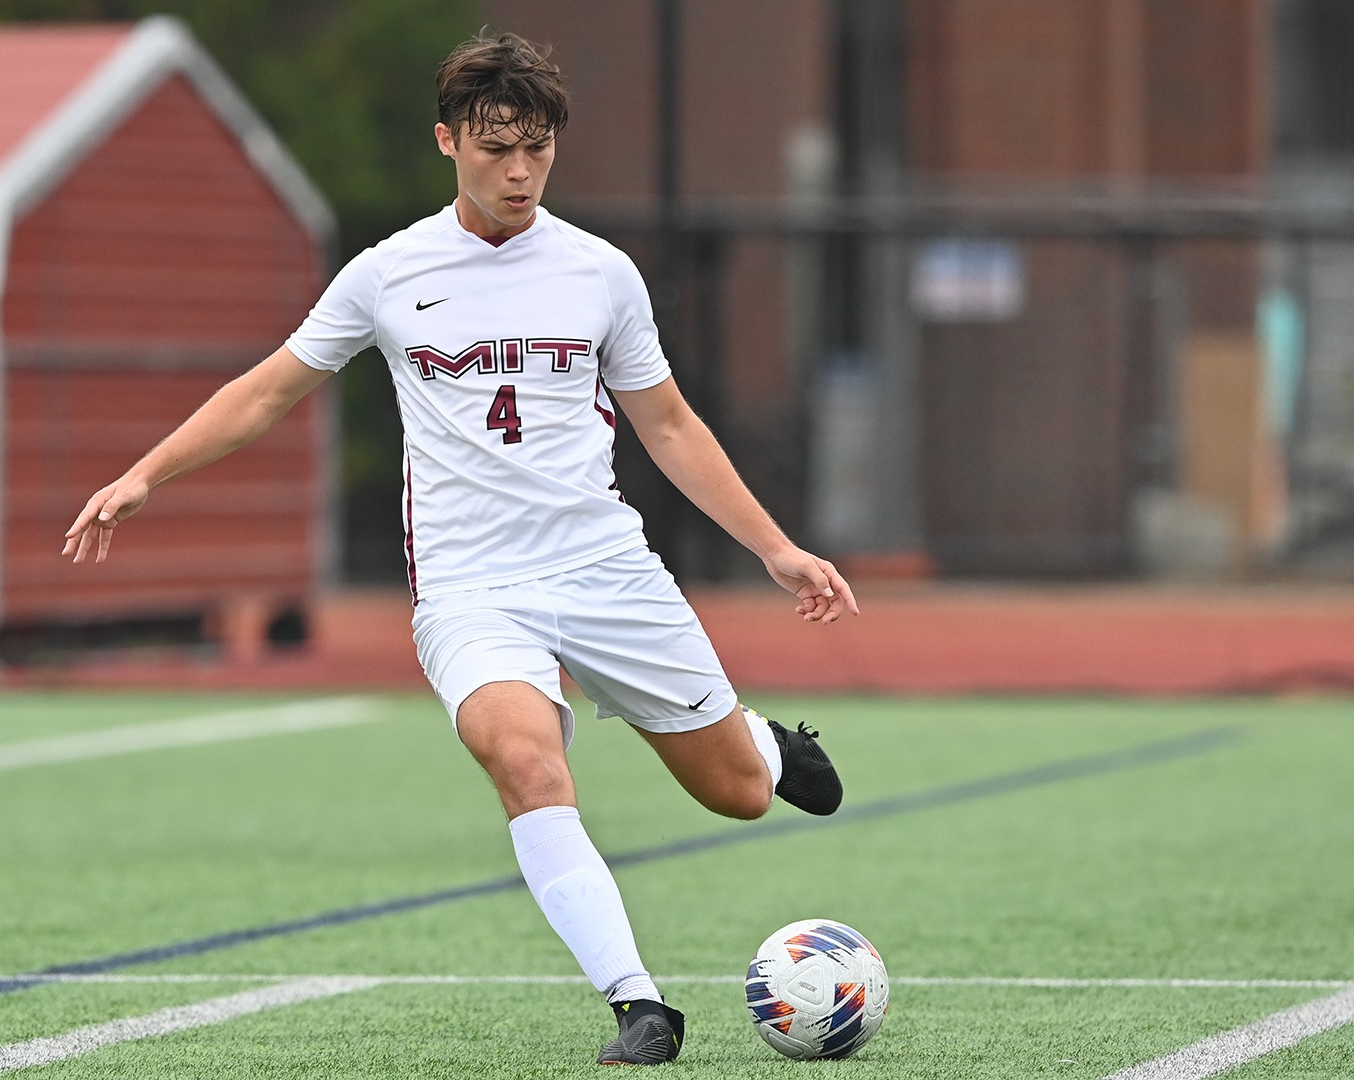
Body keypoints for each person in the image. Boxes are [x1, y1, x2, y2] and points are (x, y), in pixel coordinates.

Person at [62, 30, 859, 1065]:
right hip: (471, 587)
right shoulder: (389, 274)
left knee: (736, 795)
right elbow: (267, 391)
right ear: (447, 142)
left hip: (605, 568)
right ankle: (639, 1005)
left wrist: (777, 548)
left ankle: (764, 744)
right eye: (495, 149)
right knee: (525, 761)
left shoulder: (601, 273)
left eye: (536, 149)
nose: (518, 171)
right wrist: (142, 476)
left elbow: (667, 424)